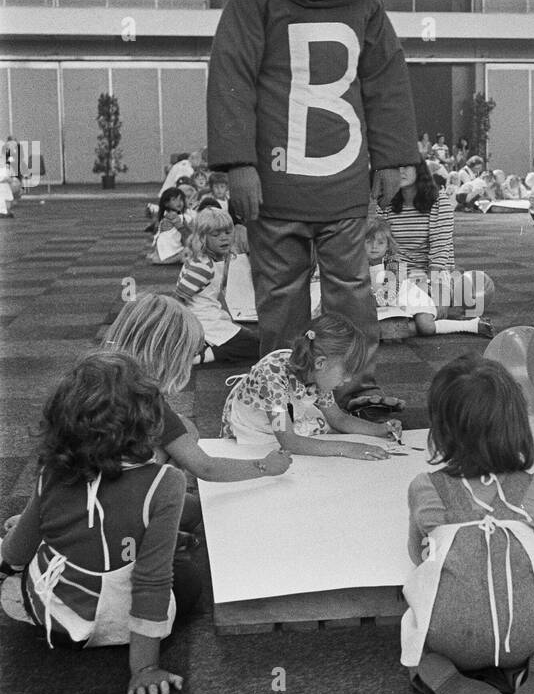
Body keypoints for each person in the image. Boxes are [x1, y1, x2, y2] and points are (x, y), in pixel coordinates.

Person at [0, 352, 200, 694]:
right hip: (122, 622)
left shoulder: (52, 468)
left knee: (37, 535)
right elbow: (152, 581)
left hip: (55, 620)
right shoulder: (165, 482)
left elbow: (16, 552)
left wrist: (10, 563)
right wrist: (144, 668)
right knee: (186, 576)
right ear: (146, 421)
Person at [401, 356, 534, 694]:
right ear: (516, 426)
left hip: (452, 636)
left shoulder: (426, 487)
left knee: (419, 639)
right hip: (532, 630)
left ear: (441, 431)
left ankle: (435, 668)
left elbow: (418, 556)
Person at [103, 295, 292, 520]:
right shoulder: (149, 404)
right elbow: (206, 468)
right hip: (114, 507)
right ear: (170, 357)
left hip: (79, 491)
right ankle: (144, 522)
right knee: (201, 513)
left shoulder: (98, 379)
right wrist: (264, 466)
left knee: (184, 428)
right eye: (189, 356)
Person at [220, 315, 396, 459]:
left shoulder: (317, 375)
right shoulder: (271, 378)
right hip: (256, 426)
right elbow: (289, 442)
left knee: (325, 428)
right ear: (321, 363)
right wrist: (349, 449)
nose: (349, 379)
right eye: (345, 372)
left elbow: (338, 419)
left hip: (284, 414)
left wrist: (379, 429)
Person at [366, 219, 492, 338]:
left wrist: (375, 270)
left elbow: (385, 298)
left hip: (410, 299)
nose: (374, 247)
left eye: (380, 242)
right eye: (369, 242)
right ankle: (400, 328)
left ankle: (472, 325)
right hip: (385, 305)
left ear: (388, 246)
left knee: (426, 326)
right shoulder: (358, 263)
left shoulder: (394, 264)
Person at [175, 209, 258, 364]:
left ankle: (204, 347)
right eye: (216, 235)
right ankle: (206, 354)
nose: (224, 238)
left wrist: (230, 321)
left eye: (228, 232)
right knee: (255, 346)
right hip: (201, 321)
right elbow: (178, 300)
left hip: (212, 315)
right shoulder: (203, 266)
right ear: (202, 237)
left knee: (252, 339)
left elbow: (218, 293)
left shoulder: (218, 259)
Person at [383, 161, 459, 311]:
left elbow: (439, 253)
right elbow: (382, 245)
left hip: (432, 271)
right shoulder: (386, 202)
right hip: (397, 269)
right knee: (387, 305)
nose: (400, 171)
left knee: (430, 308)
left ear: (419, 170)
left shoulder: (439, 201)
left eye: (405, 166)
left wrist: (426, 283)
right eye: (396, 167)